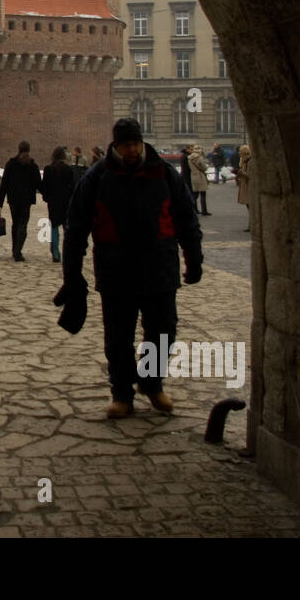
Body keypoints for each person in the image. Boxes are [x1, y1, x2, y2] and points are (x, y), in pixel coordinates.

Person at [55, 118, 203, 418]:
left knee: (162, 332)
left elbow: (186, 217)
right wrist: (72, 275)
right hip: (115, 269)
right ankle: (122, 392)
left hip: (159, 266)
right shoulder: (98, 176)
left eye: (135, 143)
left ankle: (151, 383)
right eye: (126, 145)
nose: (132, 149)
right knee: (118, 336)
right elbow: (76, 226)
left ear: (141, 142)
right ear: (116, 146)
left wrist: (194, 257)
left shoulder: (163, 172)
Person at [0, 140, 42, 262]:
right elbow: (38, 183)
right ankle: (18, 251)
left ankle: (14, 249)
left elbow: (4, 183)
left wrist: (0, 198)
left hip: (13, 199)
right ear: (29, 149)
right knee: (23, 224)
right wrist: (47, 194)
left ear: (19, 149)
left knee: (15, 224)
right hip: (26, 200)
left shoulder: (11, 164)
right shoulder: (32, 165)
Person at [40, 146, 76, 263]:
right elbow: (72, 187)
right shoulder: (68, 170)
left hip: (53, 203)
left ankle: (55, 253)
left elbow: (44, 186)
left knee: (54, 228)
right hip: (66, 203)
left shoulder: (48, 169)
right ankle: (68, 252)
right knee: (67, 228)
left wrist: (47, 198)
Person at [188, 145, 211, 216]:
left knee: (195, 195)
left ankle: (193, 210)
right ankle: (204, 211)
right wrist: (206, 167)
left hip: (193, 176)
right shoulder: (200, 157)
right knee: (203, 195)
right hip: (200, 176)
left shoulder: (189, 158)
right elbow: (204, 168)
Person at [235, 144, 252, 231]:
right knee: (249, 207)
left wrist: (241, 173)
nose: (239, 153)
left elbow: (250, 175)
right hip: (245, 185)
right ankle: (251, 225)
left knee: (250, 207)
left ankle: (251, 226)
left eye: (240, 152)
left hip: (248, 187)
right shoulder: (244, 161)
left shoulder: (249, 161)